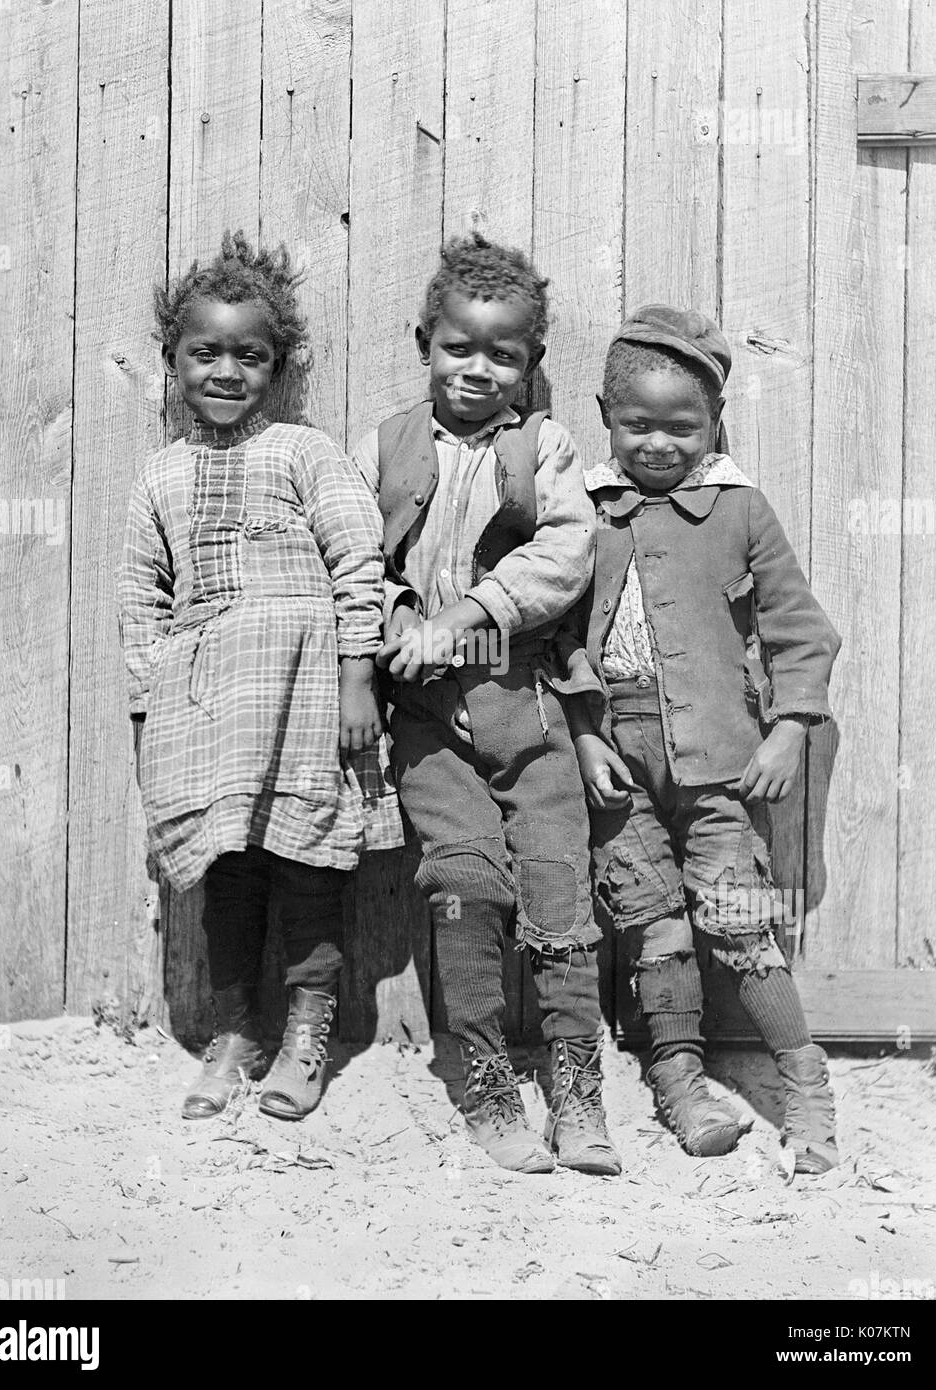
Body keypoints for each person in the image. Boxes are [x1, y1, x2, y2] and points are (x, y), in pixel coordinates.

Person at [117, 231, 401, 1122]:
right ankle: (235, 1031)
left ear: (278, 366)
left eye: (251, 355)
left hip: (308, 694)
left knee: (309, 863)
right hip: (205, 709)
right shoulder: (160, 474)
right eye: (205, 353)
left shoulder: (306, 453)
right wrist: (148, 700)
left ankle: (310, 1029)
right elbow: (140, 596)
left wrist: (359, 678)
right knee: (229, 869)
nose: (227, 372)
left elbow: (361, 562)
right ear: (172, 361)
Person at [353, 232, 619, 1176]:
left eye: (502, 355)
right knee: (463, 883)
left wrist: (463, 614)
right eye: (457, 347)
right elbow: (348, 559)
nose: (476, 370)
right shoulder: (379, 445)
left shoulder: (543, 447)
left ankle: (580, 1086)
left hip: (524, 699)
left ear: (530, 365)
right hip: (425, 717)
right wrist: (396, 623)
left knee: (556, 883)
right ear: (424, 340)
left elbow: (564, 555)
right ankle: (484, 1079)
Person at [569, 305, 841, 1174]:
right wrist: (583, 736)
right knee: (653, 927)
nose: (657, 444)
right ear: (604, 418)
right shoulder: (581, 513)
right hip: (616, 760)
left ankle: (804, 1087)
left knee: (736, 922)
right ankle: (678, 1081)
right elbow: (551, 641)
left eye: (680, 427)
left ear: (712, 424)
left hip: (723, 761)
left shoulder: (739, 509)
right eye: (636, 424)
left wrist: (791, 727)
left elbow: (800, 630)